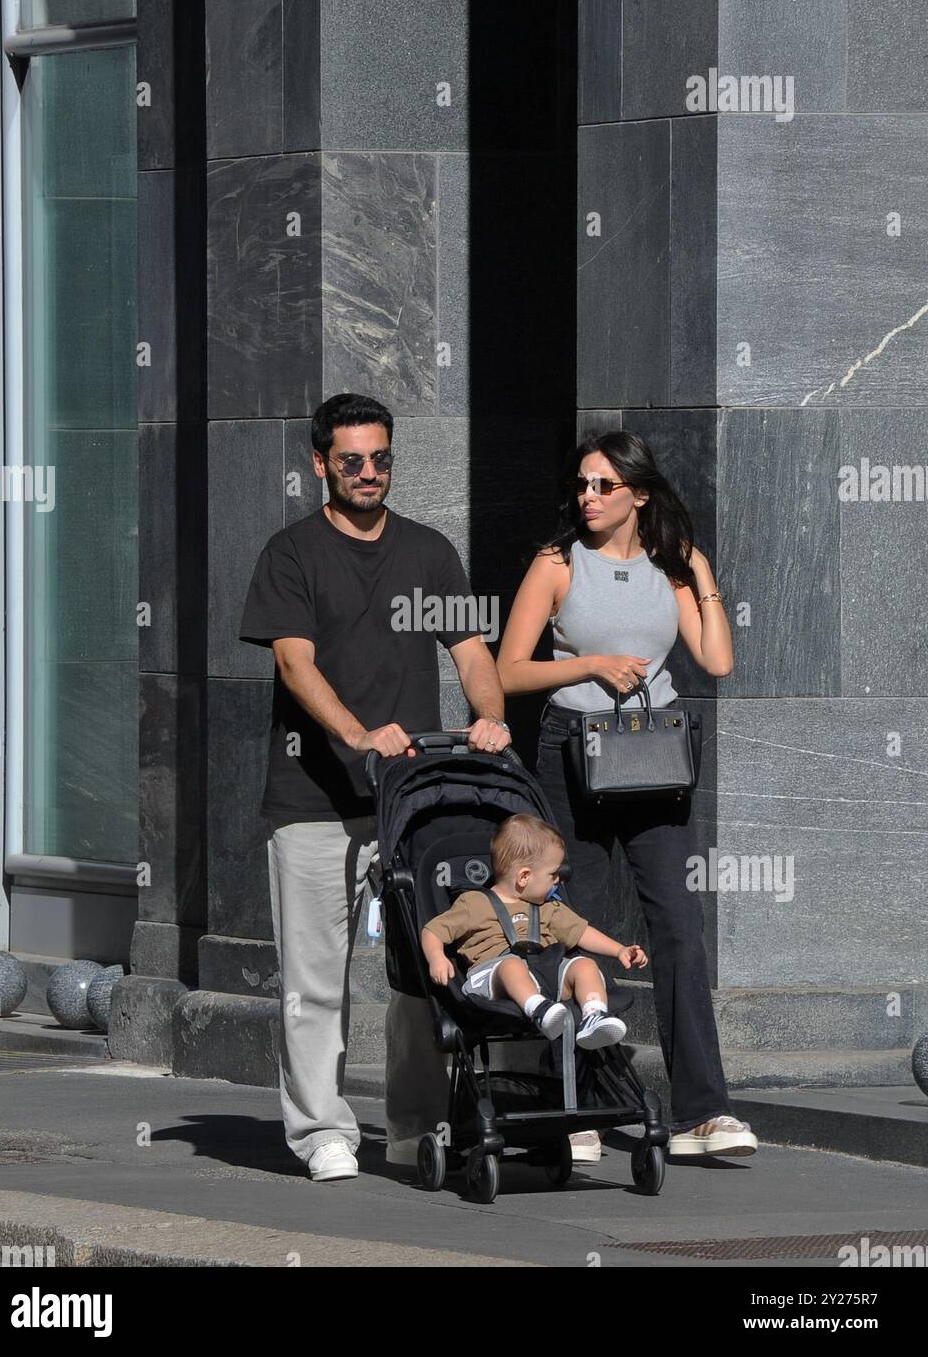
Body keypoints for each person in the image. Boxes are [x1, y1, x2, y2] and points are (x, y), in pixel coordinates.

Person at [239, 392, 511, 1182]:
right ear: (318, 464)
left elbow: (469, 649)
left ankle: (412, 1128)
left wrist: (488, 717)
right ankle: (322, 1129)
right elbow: (295, 662)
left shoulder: (428, 551)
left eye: (381, 459)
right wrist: (357, 735)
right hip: (313, 798)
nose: (368, 473)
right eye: (350, 461)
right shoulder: (290, 553)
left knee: (423, 973)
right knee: (315, 980)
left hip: (414, 803)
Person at [496, 430, 758, 1161]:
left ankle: (704, 1114)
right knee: (569, 926)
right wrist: (589, 664)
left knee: (676, 924)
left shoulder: (671, 568)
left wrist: (698, 570)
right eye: (581, 485)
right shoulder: (555, 565)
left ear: (638, 494)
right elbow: (507, 671)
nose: (587, 498)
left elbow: (717, 659)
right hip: (569, 755)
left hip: (650, 758)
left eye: (603, 486)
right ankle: (573, 1110)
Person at [421, 813, 646, 1048]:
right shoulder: (474, 903)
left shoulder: (549, 908)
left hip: (545, 971)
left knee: (585, 965)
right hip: (493, 976)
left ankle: (594, 1016)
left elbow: (582, 932)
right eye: (553, 874)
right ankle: (538, 1010)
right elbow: (433, 931)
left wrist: (619, 950)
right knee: (512, 966)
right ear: (524, 877)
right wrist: (437, 957)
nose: (559, 879)